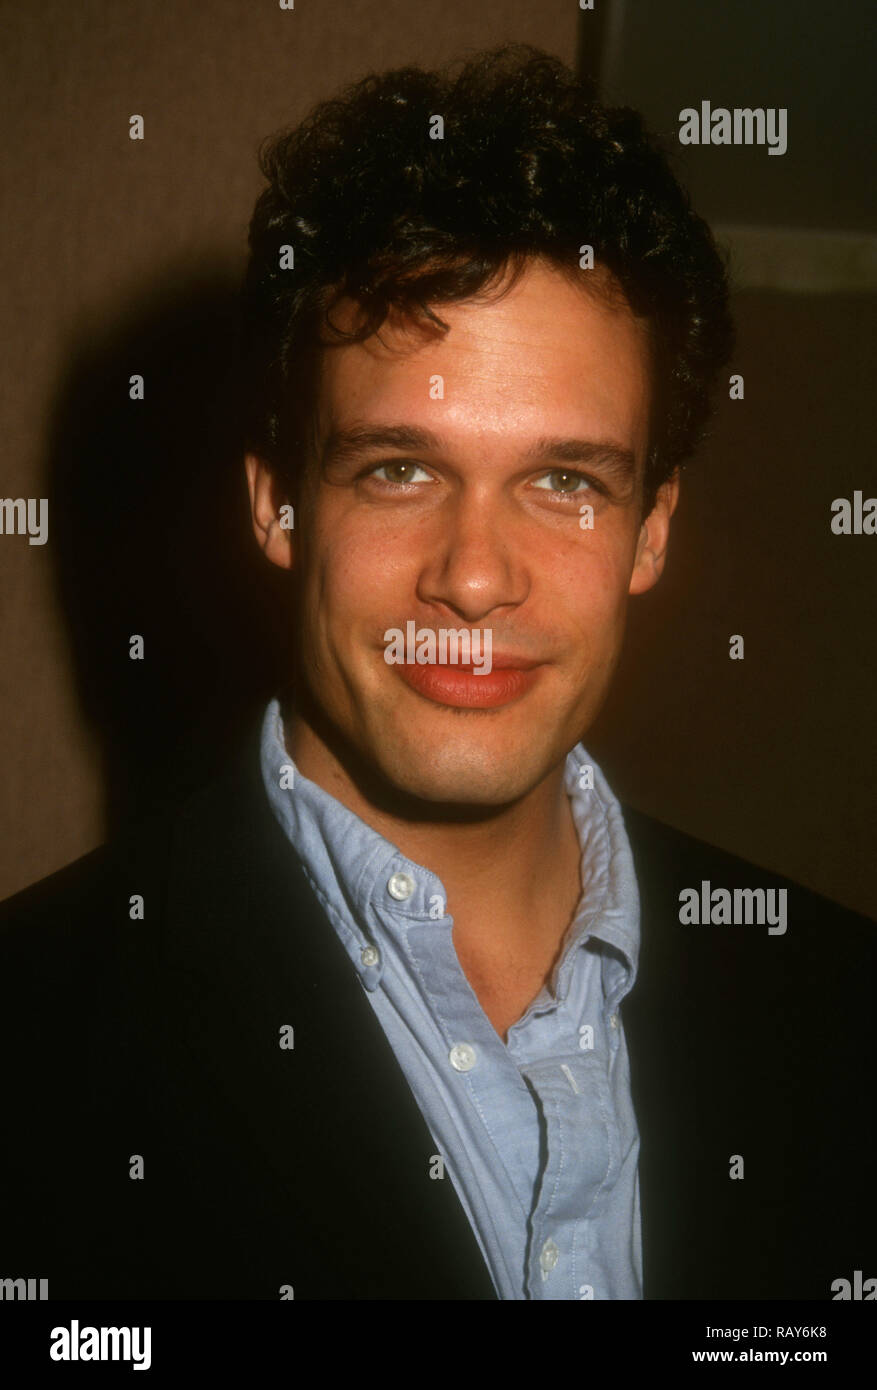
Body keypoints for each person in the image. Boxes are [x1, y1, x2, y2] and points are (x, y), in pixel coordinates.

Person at [0, 44, 873, 1303]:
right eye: (398, 469)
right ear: (277, 505)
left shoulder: (845, 1012)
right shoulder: (27, 1056)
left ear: (652, 528)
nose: (474, 578)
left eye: (565, 481)